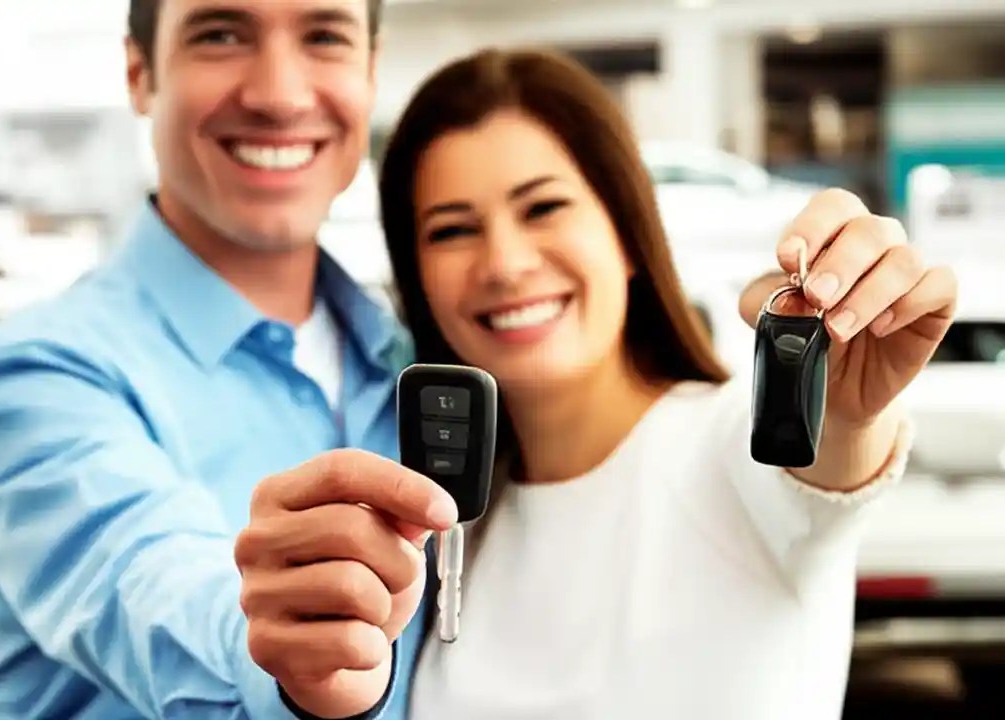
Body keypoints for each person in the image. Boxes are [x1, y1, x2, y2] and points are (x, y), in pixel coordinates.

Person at [372, 48, 957, 720]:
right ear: (415, 277)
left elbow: (822, 463)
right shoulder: (448, 515)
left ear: (626, 232)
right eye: (452, 229)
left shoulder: (729, 442)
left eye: (543, 209)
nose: (504, 263)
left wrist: (846, 409)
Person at [0, 2, 459, 719]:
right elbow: (149, 582)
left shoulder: (417, 361)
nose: (278, 94)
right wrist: (293, 657)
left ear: (370, 71)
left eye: (324, 36)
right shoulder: (32, 376)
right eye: (220, 34)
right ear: (139, 74)